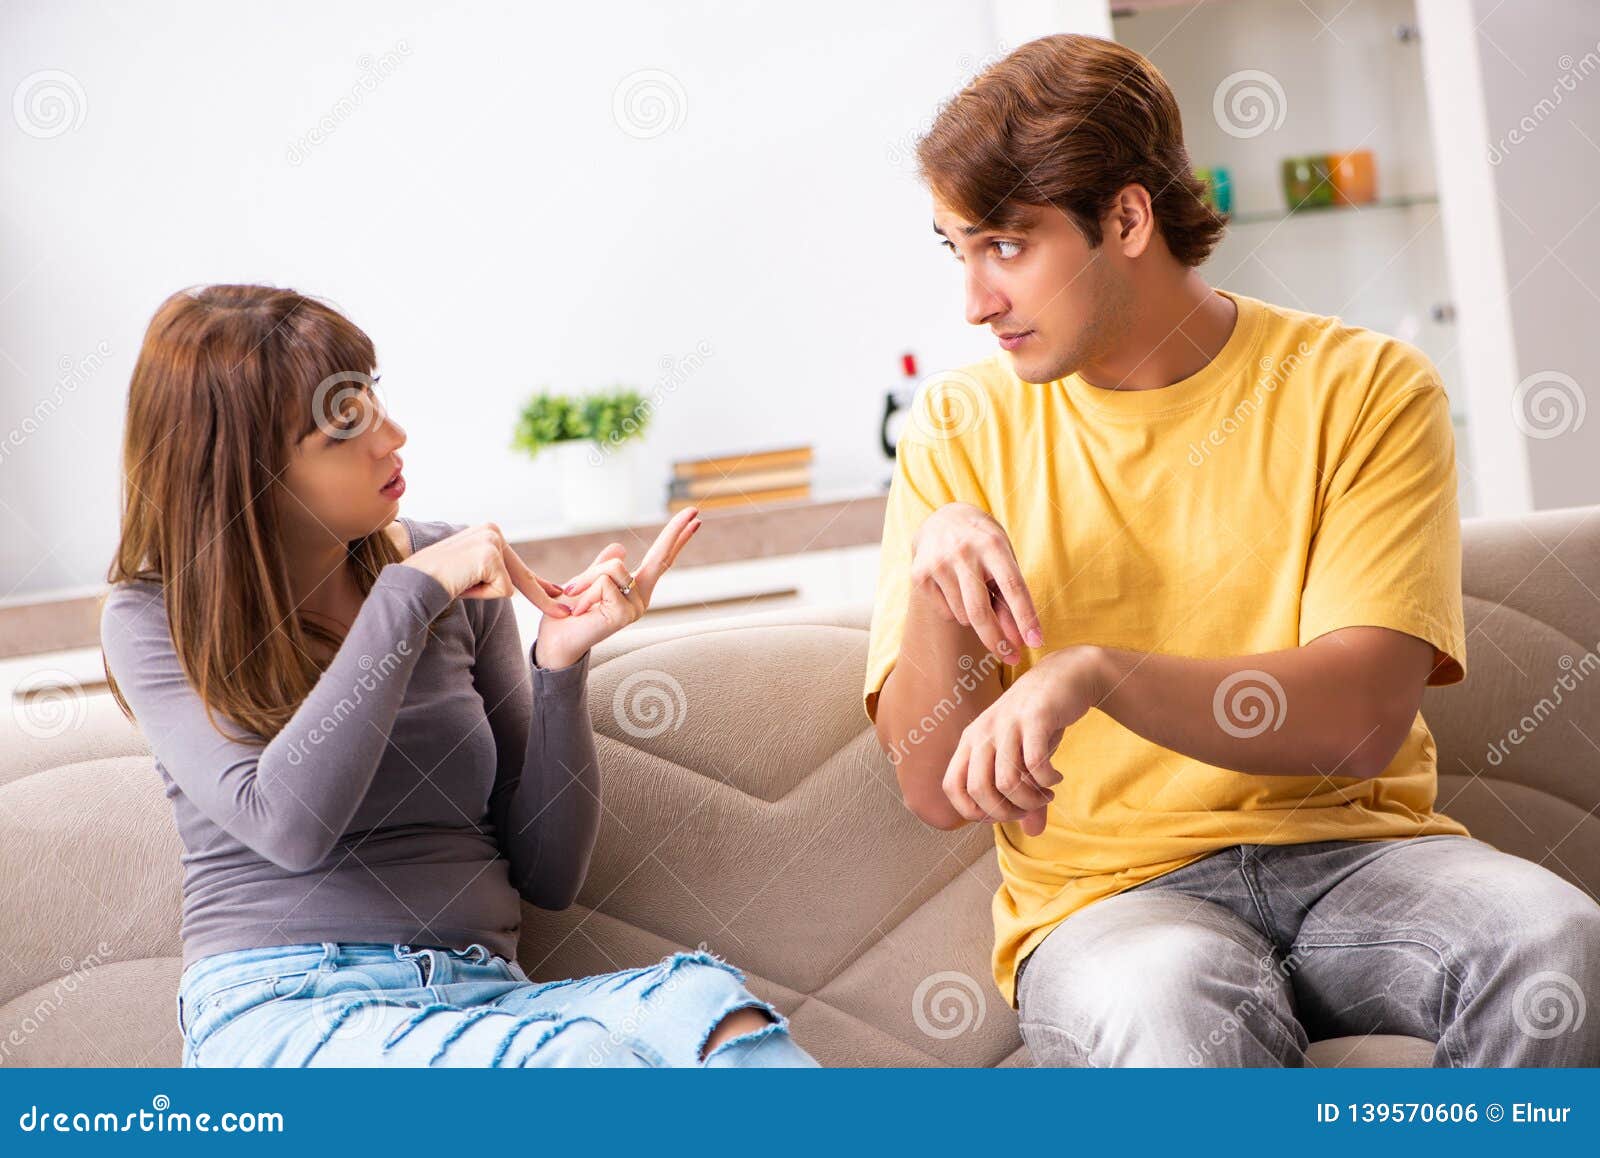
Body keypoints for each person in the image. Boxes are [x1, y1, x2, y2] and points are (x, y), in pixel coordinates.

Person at [864, 34, 1600, 1066]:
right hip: (1113, 902)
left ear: (1125, 217)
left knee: (1554, 943)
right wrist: (933, 583)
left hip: (1360, 865)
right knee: (1170, 1008)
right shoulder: (956, 432)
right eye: (959, 250)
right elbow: (935, 790)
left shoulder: (1363, 389)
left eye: (1008, 246)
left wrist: (1098, 673)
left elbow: (1356, 725)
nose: (975, 300)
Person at [101, 283, 817, 1068]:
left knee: (710, 1012)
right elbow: (288, 825)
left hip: (484, 993)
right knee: (580, 1065)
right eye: (344, 425)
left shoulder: (450, 576)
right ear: (246, 471)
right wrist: (403, 599)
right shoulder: (155, 617)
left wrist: (559, 666)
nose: (393, 435)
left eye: (373, 396)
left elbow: (547, 875)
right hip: (282, 1005)